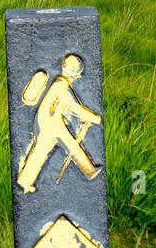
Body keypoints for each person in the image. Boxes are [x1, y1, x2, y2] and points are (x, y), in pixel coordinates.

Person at [17, 54, 102, 193]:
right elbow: (76, 109)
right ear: (76, 74)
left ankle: (90, 170)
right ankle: (25, 180)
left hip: (50, 120)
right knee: (42, 151)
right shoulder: (62, 86)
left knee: (71, 146)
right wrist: (95, 118)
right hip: (49, 122)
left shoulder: (59, 83)